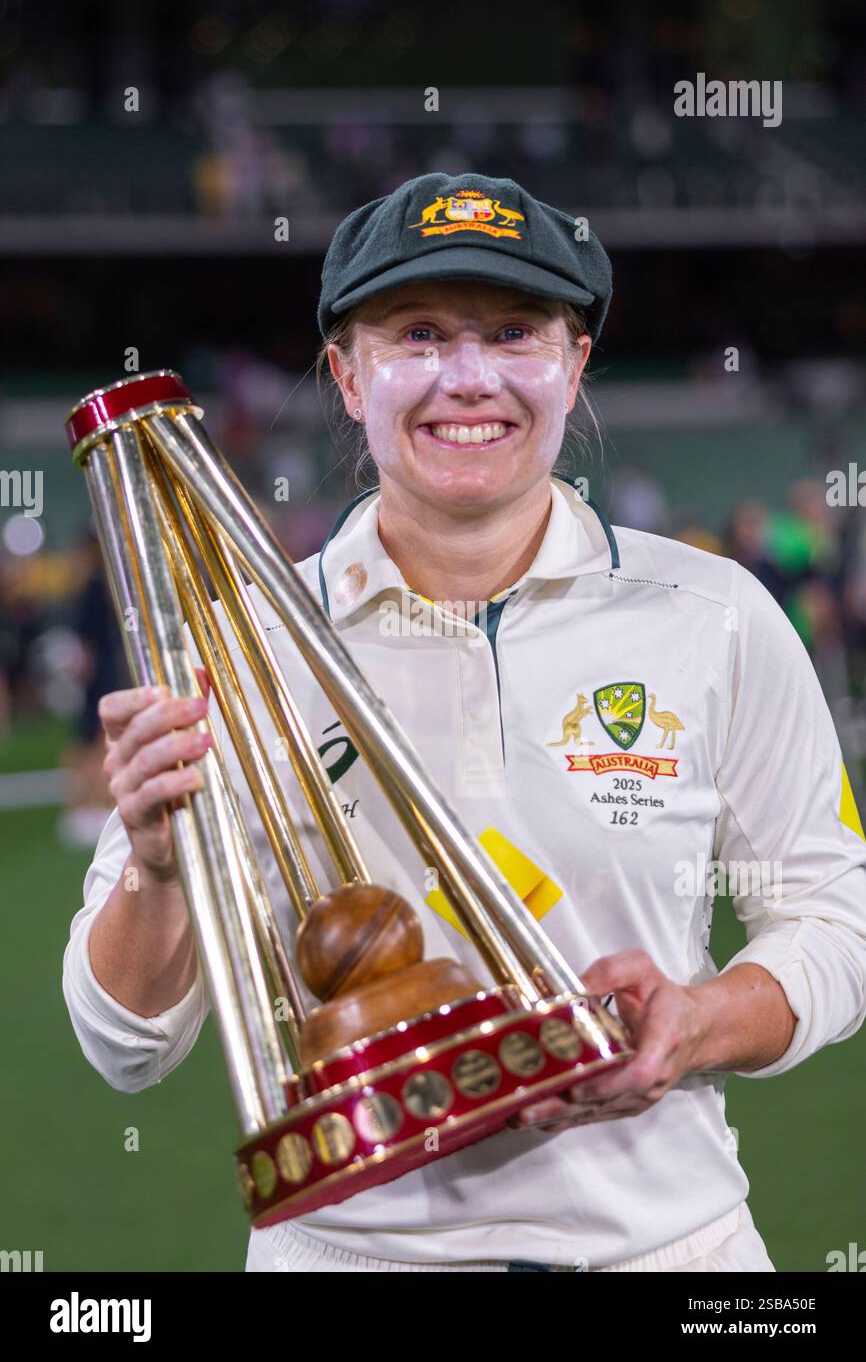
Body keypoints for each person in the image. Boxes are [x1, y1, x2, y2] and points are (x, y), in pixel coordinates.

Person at [62, 172, 866, 1273]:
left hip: (669, 1249)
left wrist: (695, 1021)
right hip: (346, 1252)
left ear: (574, 360)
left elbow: (833, 915)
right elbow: (125, 1051)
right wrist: (158, 866)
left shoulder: (712, 615)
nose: (468, 378)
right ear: (347, 375)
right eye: (419, 334)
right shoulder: (238, 652)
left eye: (514, 331)